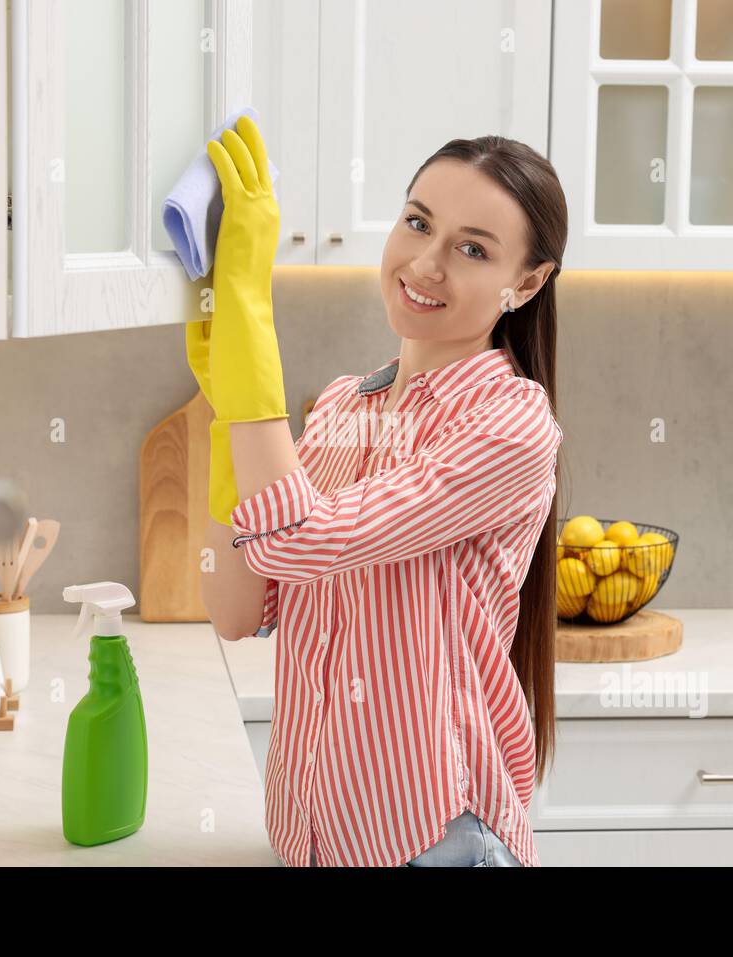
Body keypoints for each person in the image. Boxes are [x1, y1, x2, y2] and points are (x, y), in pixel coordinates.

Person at [187, 115, 567, 867]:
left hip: (434, 839)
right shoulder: (340, 406)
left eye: (471, 249)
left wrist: (253, 334)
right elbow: (235, 608)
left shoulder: (511, 423)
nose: (426, 264)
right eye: (417, 222)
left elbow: (306, 539)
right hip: (312, 834)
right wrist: (230, 418)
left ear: (526, 282)